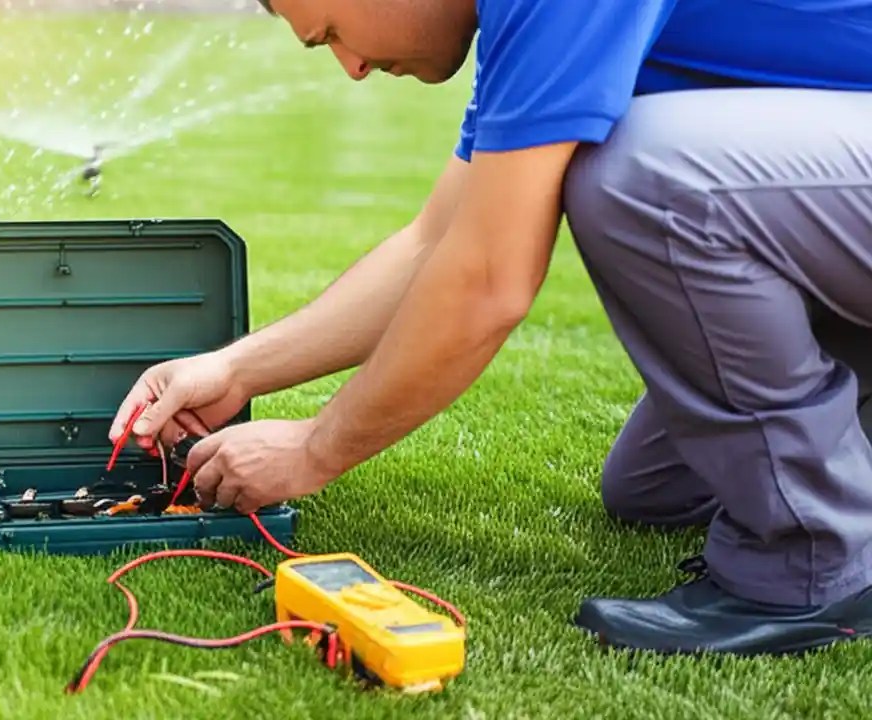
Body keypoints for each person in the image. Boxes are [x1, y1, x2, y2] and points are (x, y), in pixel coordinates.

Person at [109, 0, 872, 656]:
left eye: (332, 31)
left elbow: (488, 282)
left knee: (645, 175)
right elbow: (440, 240)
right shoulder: (519, 21)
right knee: (653, 489)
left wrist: (316, 449)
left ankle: (808, 572)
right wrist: (237, 370)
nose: (350, 66)